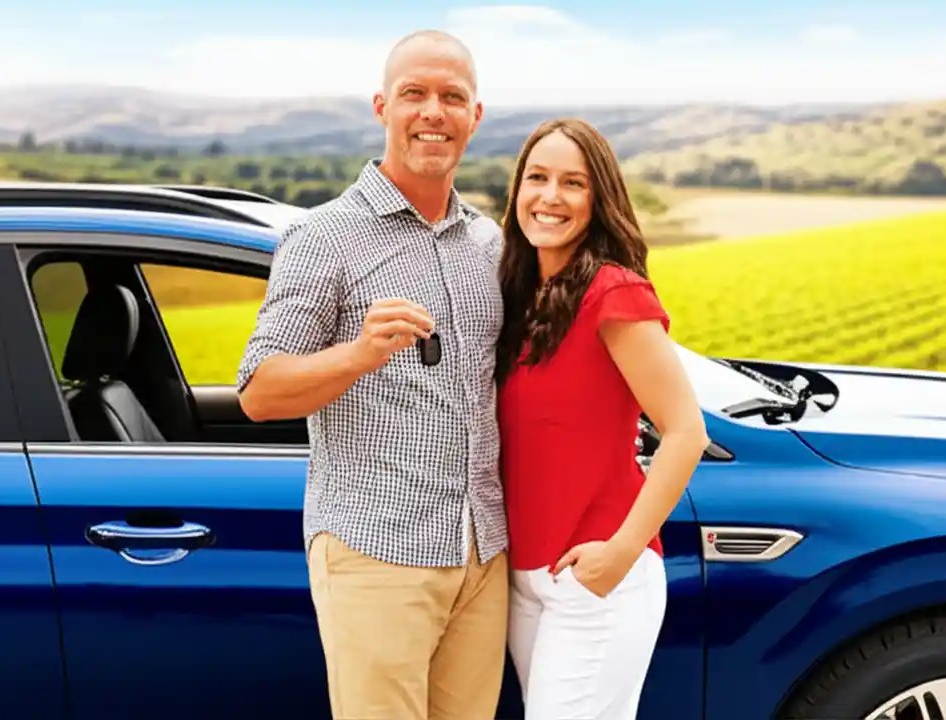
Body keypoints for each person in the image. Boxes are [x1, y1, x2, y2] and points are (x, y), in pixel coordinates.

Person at [235, 29, 509, 720]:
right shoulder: (324, 237)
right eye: (414, 94)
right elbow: (260, 391)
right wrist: (360, 352)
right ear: (383, 106)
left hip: (483, 552)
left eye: (452, 97)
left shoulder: (489, 243)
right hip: (377, 551)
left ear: (476, 115)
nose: (433, 112)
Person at [495, 118, 710, 720]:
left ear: (600, 199)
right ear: (517, 190)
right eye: (537, 178)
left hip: (595, 580)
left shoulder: (614, 293)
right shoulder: (520, 296)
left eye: (573, 183)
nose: (550, 196)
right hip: (526, 576)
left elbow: (686, 432)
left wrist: (620, 552)